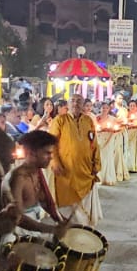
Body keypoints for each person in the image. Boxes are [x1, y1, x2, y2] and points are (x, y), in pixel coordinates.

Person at [52, 94, 103, 226]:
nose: (75, 104)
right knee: (67, 206)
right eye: (72, 101)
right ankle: (69, 235)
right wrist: (55, 161)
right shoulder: (60, 120)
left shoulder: (88, 121)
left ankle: (84, 233)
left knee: (84, 205)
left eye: (78, 101)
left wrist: (96, 163)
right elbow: (51, 143)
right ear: (67, 104)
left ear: (82, 105)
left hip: (85, 170)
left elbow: (94, 143)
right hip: (66, 171)